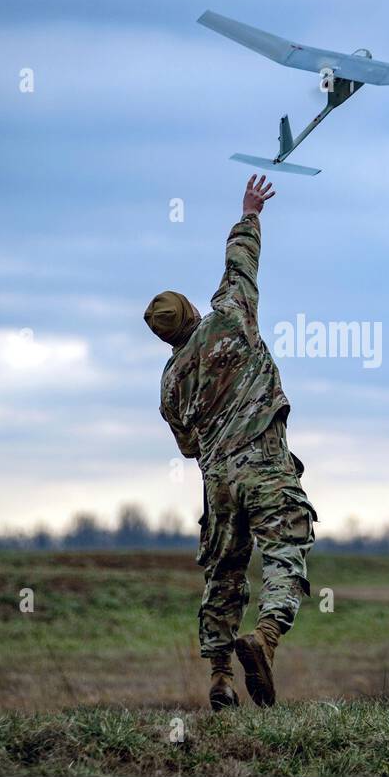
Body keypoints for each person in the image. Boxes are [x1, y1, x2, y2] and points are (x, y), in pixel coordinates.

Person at [143, 175, 317, 710]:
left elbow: (188, 447)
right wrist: (249, 210)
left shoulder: (170, 384)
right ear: (193, 312)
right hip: (264, 464)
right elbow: (241, 261)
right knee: (286, 549)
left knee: (223, 574)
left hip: (217, 484)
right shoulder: (230, 316)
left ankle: (220, 678)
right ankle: (263, 640)